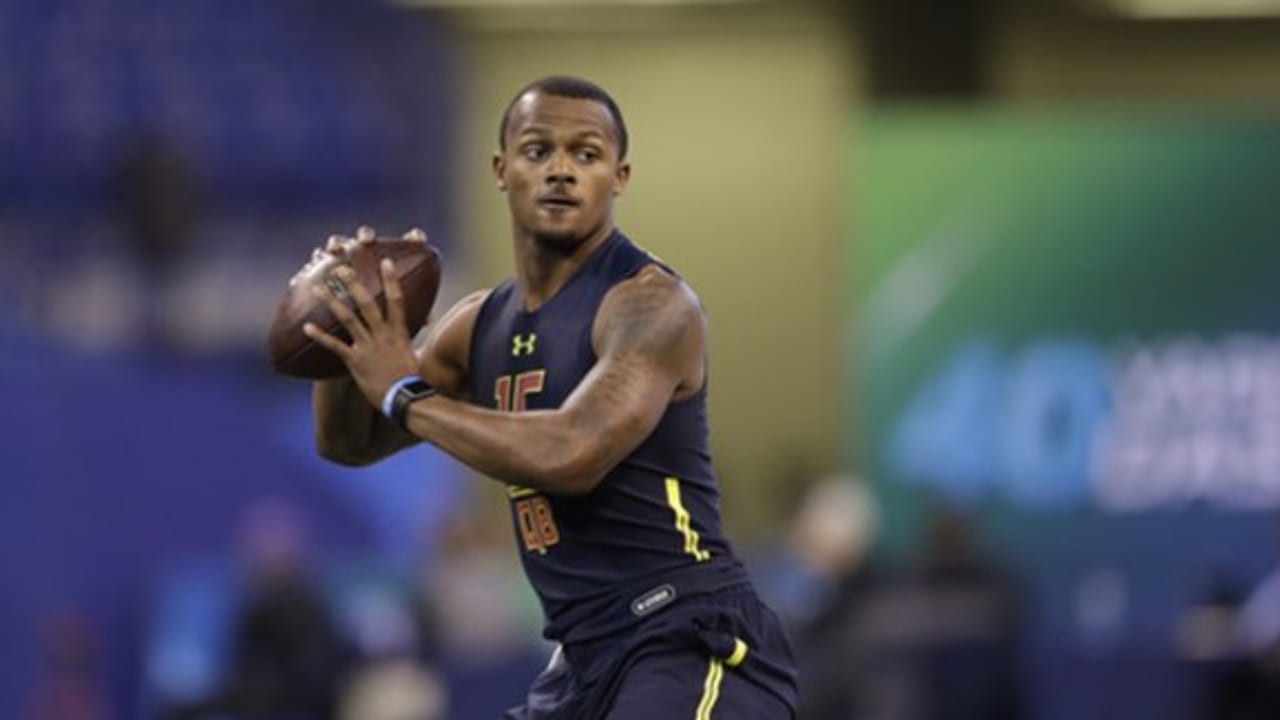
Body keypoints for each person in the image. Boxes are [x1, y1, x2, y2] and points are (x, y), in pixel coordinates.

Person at [299, 75, 799, 719]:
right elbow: (347, 442)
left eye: (585, 154)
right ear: (501, 170)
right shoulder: (480, 323)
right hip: (582, 657)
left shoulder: (651, 304)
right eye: (539, 151)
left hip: (687, 637)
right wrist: (342, 330)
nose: (561, 170)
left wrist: (404, 391)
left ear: (619, 177)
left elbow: (573, 451)